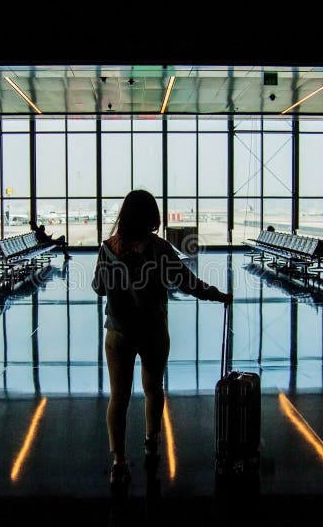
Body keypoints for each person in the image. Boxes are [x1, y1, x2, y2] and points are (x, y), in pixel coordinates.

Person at [91, 189, 232, 487]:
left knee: (119, 397)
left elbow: (98, 288)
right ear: (152, 217)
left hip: (117, 333)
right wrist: (216, 295)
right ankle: (151, 441)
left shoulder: (108, 248)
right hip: (153, 331)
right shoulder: (160, 248)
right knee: (153, 389)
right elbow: (186, 281)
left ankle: (118, 461)